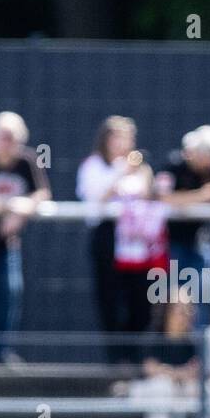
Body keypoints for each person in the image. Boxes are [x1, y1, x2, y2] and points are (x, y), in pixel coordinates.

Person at [78, 115, 156, 363]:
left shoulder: (141, 169)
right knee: (110, 299)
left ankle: (135, 355)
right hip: (108, 237)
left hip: (137, 241)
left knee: (140, 298)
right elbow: (95, 201)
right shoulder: (93, 166)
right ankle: (115, 358)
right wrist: (120, 174)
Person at [154, 124, 210, 325]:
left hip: (200, 242)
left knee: (202, 297)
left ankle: (198, 348)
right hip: (172, 244)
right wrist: (202, 196)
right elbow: (162, 197)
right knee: (173, 299)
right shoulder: (174, 165)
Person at [0, 111, 50, 362]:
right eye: (3, 137)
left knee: (9, 293)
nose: (8, 143)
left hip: (6, 244)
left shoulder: (27, 162)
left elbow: (42, 193)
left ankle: (1, 352)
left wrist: (20, 213)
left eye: (13, 138)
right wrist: (10, 205)